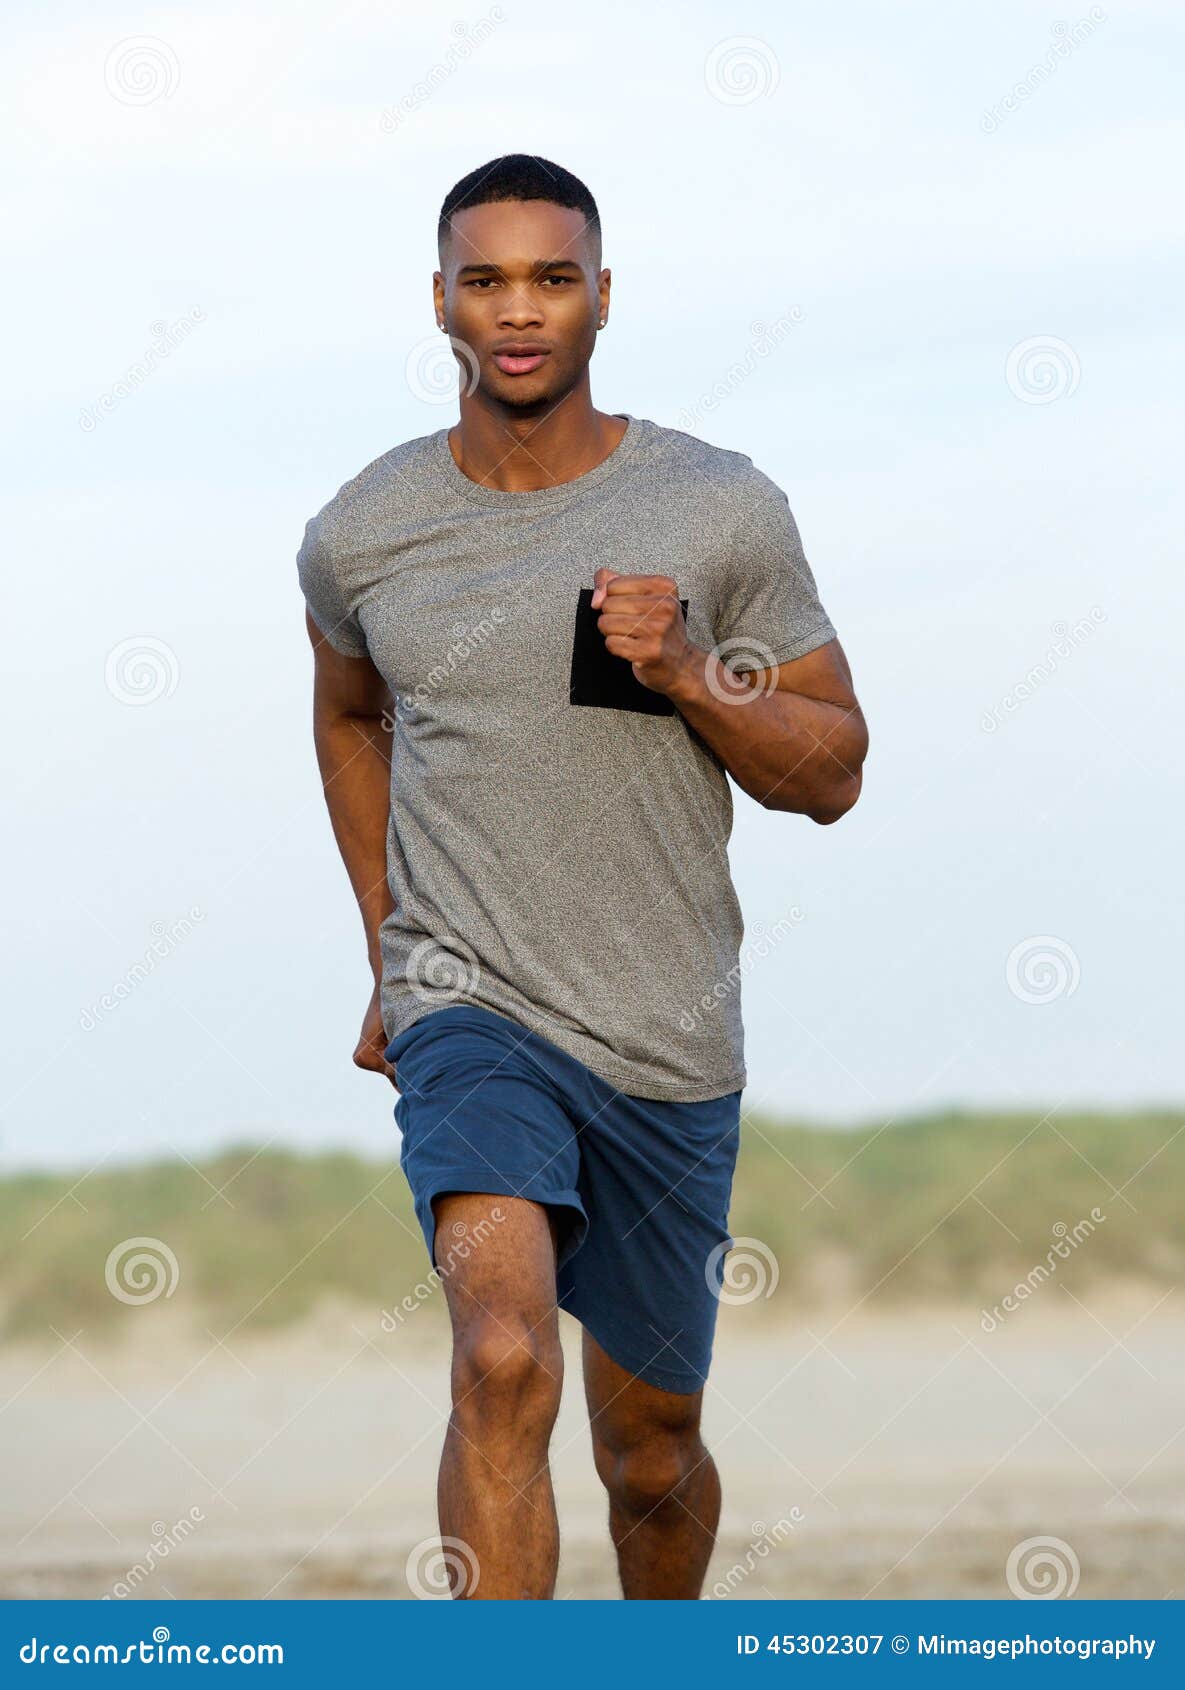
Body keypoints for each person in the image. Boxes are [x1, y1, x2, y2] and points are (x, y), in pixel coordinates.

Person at [296, 153, 868, 1599]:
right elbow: (348, 713)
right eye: (484, 279)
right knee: (499, 1355)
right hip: (467, 1003)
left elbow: (833, 767)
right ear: (438, 303)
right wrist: (388, 950)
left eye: (551, 277)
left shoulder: (718, 509)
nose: (519, 310)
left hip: (665, 1031)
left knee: (652, 1457)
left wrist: (688, 670)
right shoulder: (362, 533)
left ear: (602, 296)